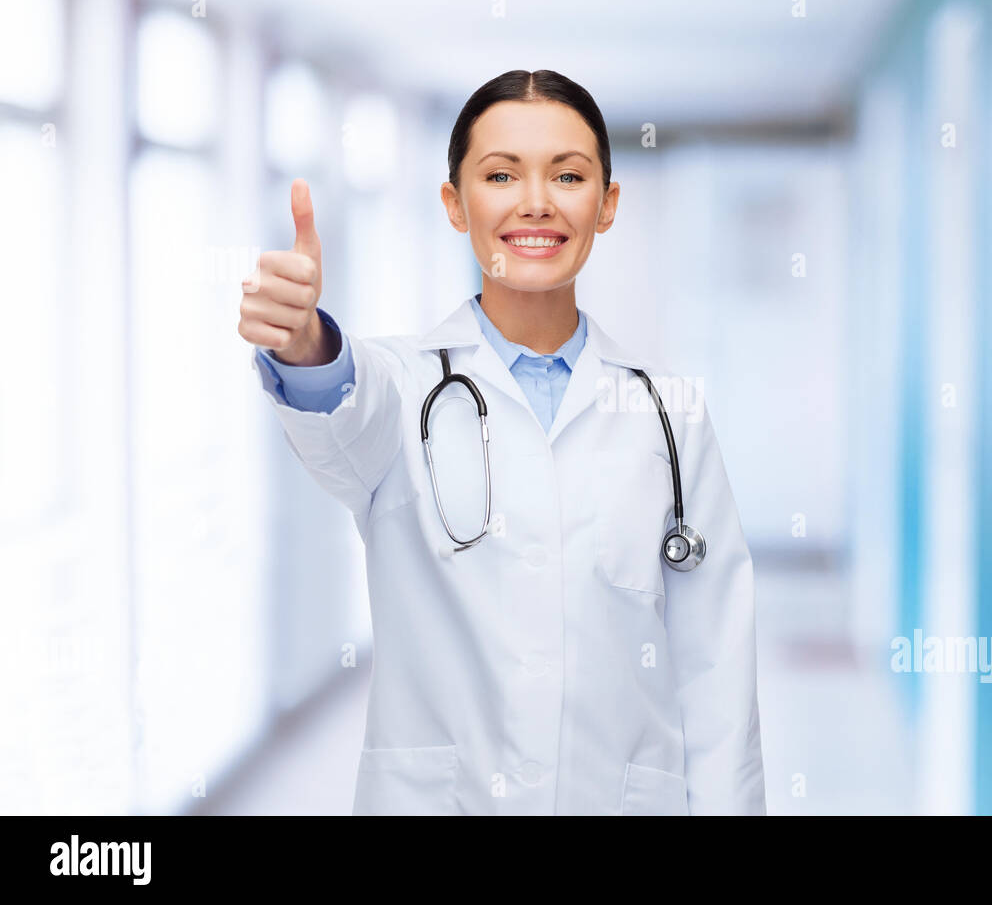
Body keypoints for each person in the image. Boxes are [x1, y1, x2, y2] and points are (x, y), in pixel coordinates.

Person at [238, 69, 765, 815]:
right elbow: (341, 403)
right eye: (500, 175)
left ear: (607, 203)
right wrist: (304, 340)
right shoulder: (403, 388)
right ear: (455, 203)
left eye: (569, 175)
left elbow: (718, 674)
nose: (536, 202)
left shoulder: (668, 414)